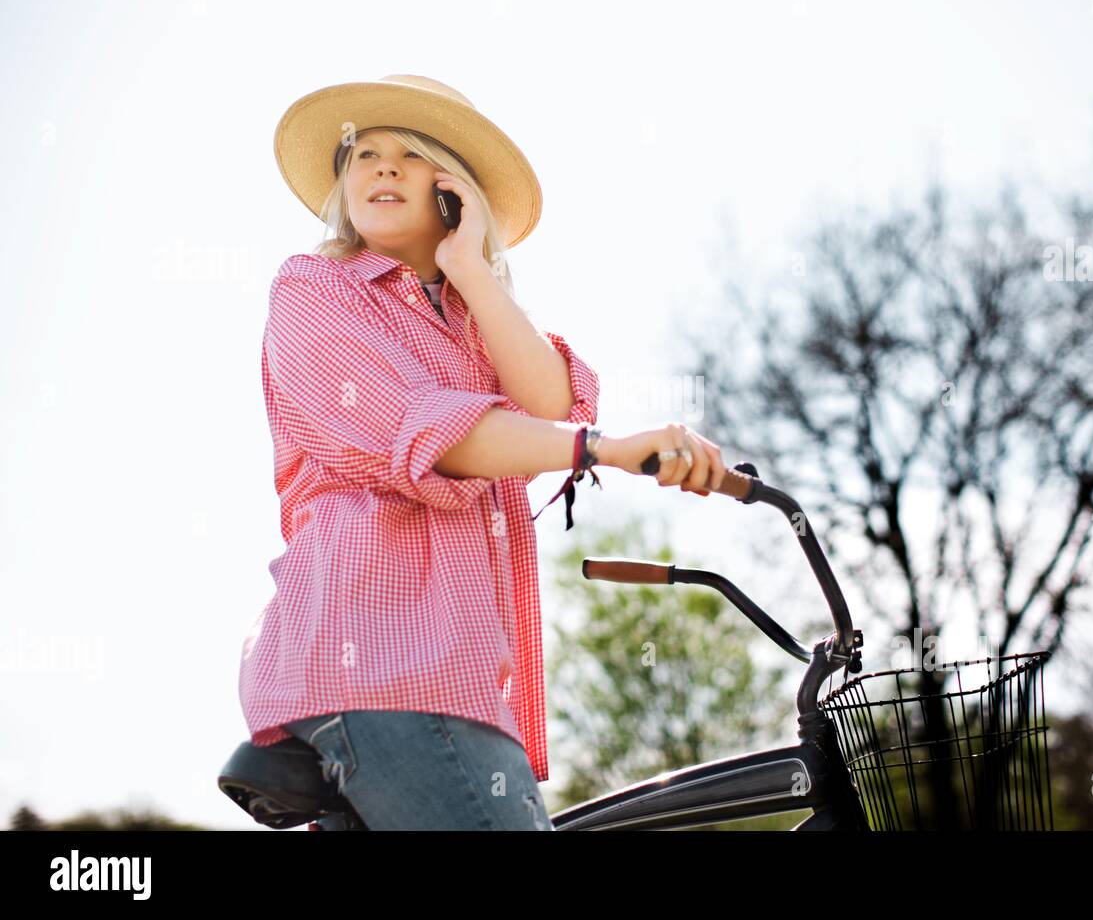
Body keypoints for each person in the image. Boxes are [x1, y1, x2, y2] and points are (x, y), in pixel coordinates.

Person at [239, 74, 727, 830]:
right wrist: (607, 450)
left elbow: (549, 406)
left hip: (452, 676)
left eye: (412, 154)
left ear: (455, 191)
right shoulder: (314, 289)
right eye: (364, 153)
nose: (384, 167)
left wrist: (471, 266)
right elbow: (430, 430)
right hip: (385, 662)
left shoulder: (481, 323)